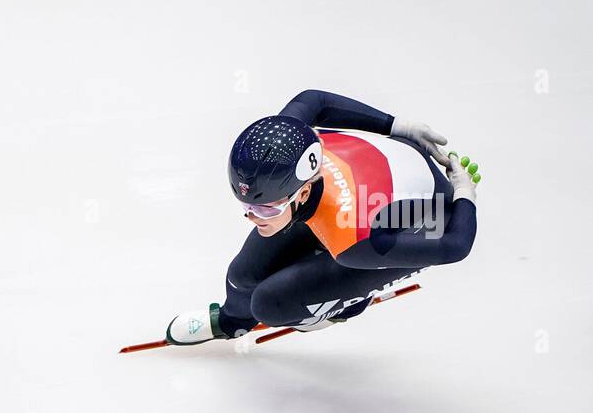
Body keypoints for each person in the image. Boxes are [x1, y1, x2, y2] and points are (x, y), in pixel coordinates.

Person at [165, 89, 482, 344]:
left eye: (265, 208)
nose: (251, 217)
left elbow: (454, 247)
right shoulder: (287, 138)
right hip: (373, 181)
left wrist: (464, 195)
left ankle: (344, 305)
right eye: (247, 206)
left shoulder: (354, 241)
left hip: (425, 218)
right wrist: (396, 125)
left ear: (301, 192)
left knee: (270, 304)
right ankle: (234, 321)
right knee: (243, 274)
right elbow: (313, 99)